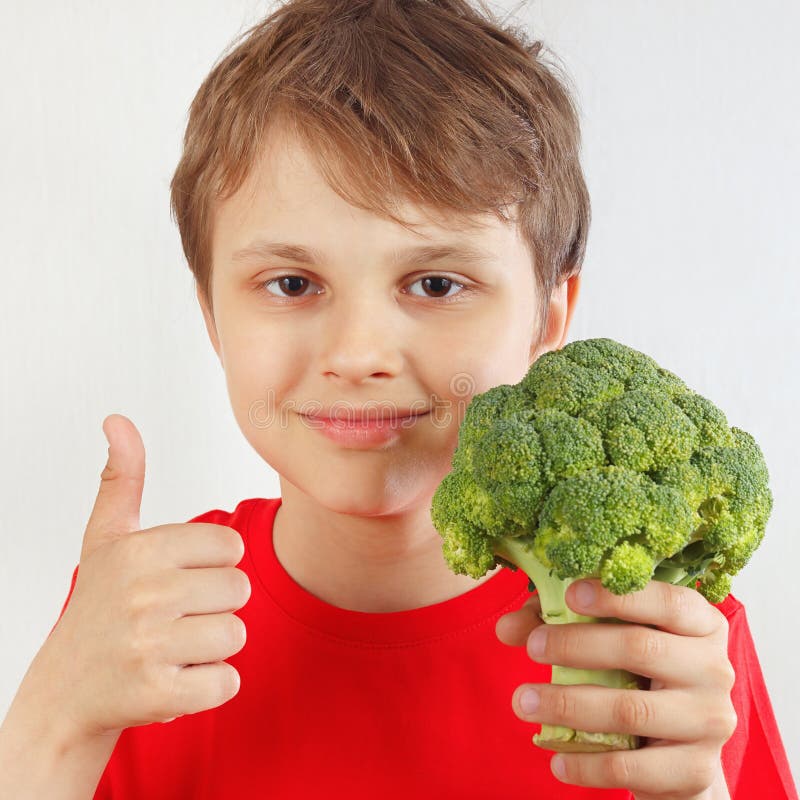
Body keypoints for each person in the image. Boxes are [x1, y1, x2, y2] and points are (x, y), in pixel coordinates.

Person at [0, 1, 796, 798]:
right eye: (291, 283)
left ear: (548, 318)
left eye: (438, 283)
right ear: (211, 315)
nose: (358, 356)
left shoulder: (665, 642)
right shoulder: (135, 623)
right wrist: (53, 718)